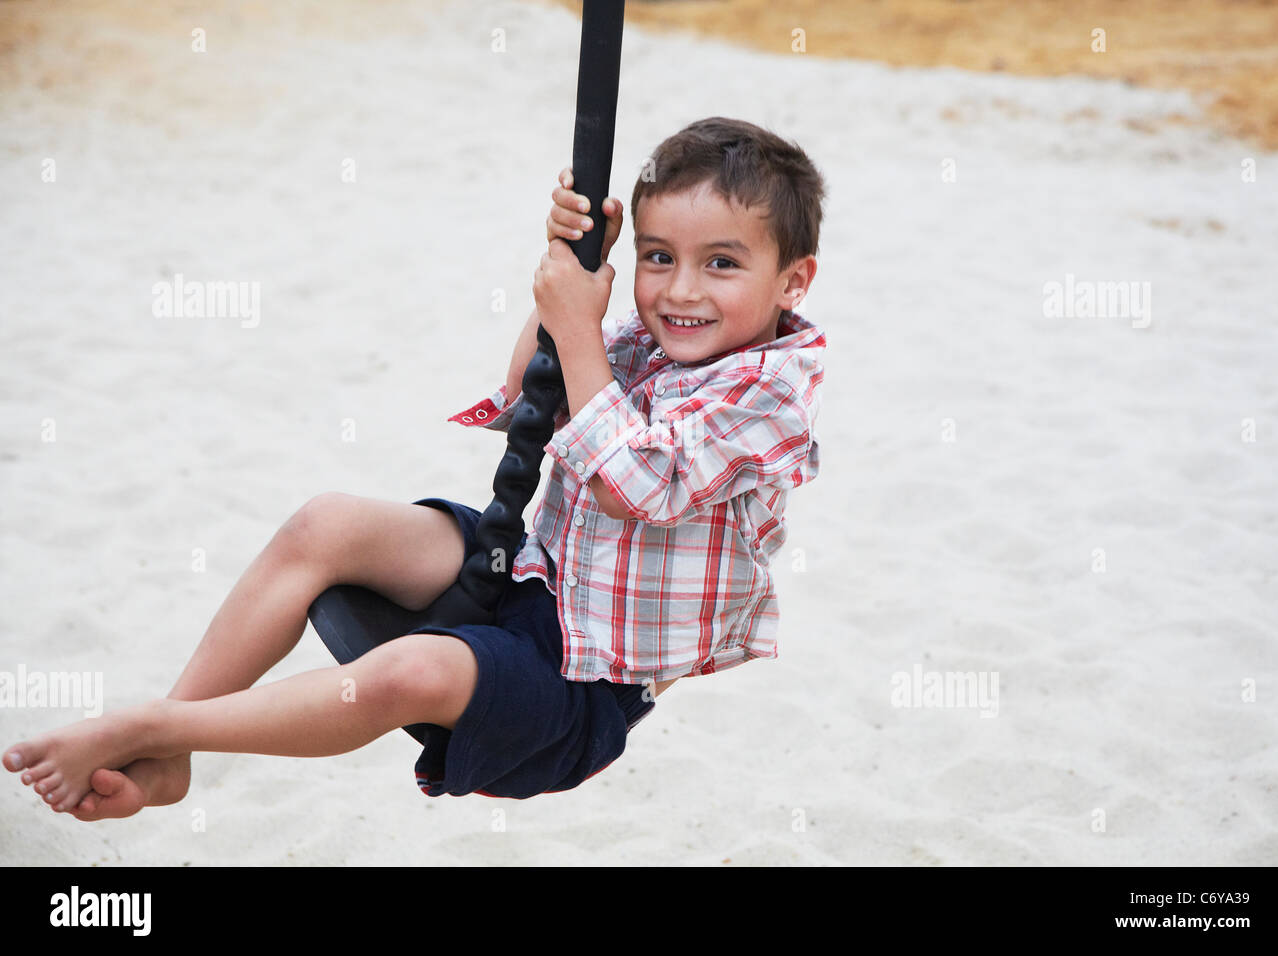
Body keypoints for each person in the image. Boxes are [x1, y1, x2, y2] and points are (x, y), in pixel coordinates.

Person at [4, 116, 827, 814]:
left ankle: (157, 727)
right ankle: (174, 750)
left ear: (794, 280)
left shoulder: (770, 393)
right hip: (530, 579)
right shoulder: (646, 343)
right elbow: (529, 392)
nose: (680, 290)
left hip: (583, 692)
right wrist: (566, 282)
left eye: (721, 263)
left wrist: (580, 334)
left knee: (408, 669)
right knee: (327, 522)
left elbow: (636, 485)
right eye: (657, 257)